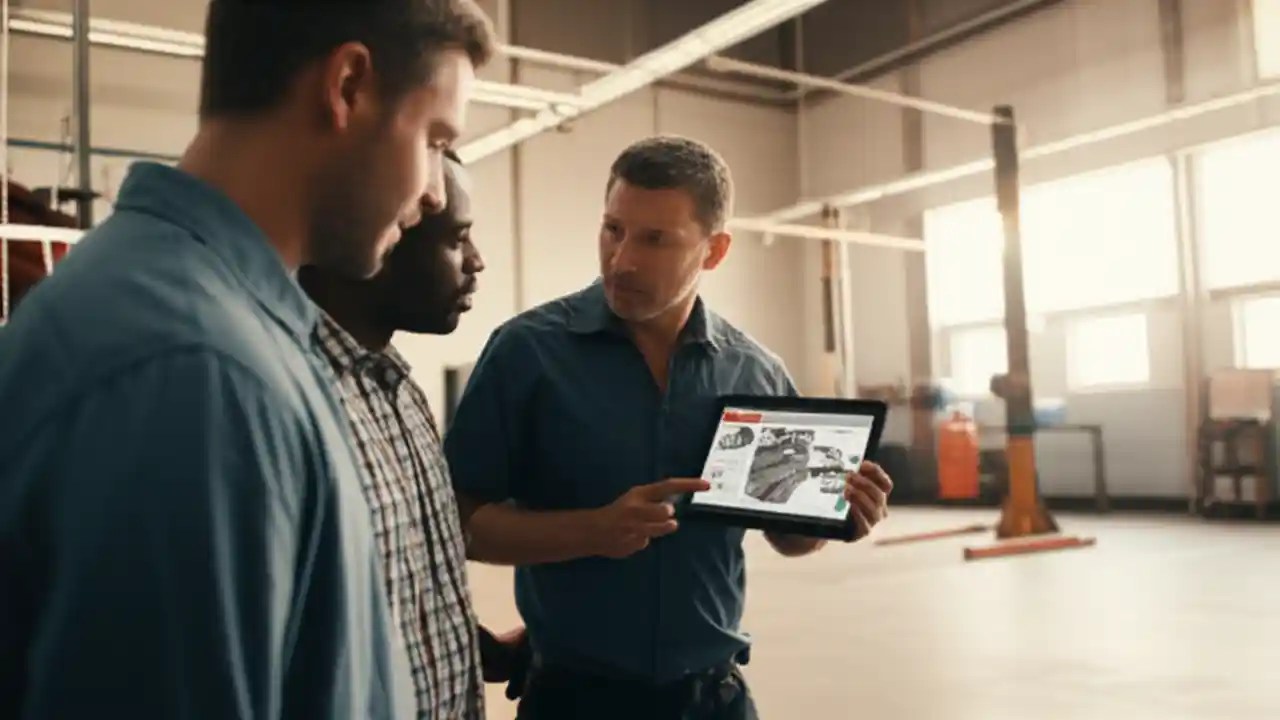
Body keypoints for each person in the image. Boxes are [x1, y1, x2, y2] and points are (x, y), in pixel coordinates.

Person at [0, 1, 495, 717]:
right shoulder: (196, 371)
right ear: (348, 86)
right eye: (433, 138)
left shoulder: (220, 324)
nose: (432, 191)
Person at [444, 135, 895, 720]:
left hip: (715, 700)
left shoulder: (754, 373)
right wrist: (594, 530)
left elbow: (788, 535)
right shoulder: (526, 354)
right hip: (572, 701)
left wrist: (839, 518)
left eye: (655, 239)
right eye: (613, 229)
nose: (622, 259)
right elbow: (455, 524)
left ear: (715, 251)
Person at [298, 153, 526, 720]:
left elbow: (394, 594)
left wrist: (479, 650)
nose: (477, 262)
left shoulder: (397, 387)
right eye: (458, 239)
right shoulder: (294, 401)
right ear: (385, 235)